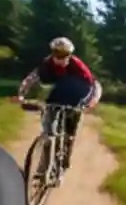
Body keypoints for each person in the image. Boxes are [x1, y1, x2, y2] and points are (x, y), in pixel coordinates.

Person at [11, 37, 102, 176]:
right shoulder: (47, 65)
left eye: (64, 55)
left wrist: (89, 103)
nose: (60, 58)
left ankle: (66, 155)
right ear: (52, 53)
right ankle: (45, 161)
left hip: (79, 94)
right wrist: (21, 95)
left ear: (69, 55)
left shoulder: (77, 66)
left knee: (70, 130)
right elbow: (31, 79)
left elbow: (94, 86)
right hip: (60, 92)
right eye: (57, 54)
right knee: (49, 122)